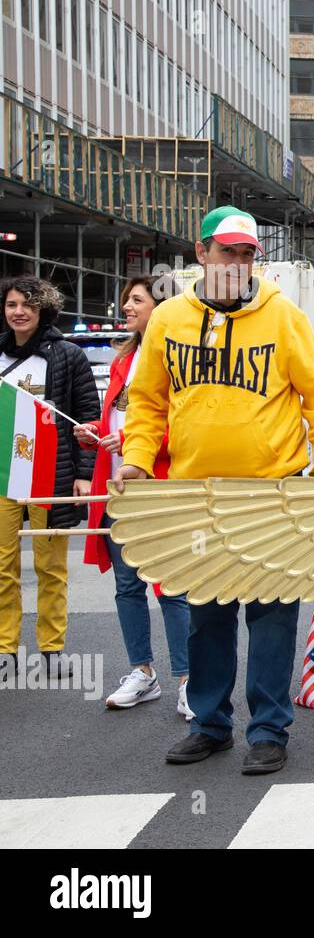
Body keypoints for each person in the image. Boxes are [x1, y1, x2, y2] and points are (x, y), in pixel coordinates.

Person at [116, 204, 314, 776]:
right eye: (228, 251)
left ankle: (268, 730)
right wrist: (139, 461)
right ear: (202, 254)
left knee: (271, 616)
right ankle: (210, 724)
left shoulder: (284, 317)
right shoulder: (168, 319)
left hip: (273, 494)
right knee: (207, 613)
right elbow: (146, 402)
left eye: (247, 254)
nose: (238, 262)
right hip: (199, 495)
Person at [76, 275, 192, 716]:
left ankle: (187, 678)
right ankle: (142, 672)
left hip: (160, 488)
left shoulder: (179, 358)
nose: (126, 307)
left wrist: (131, 443)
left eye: (136, 300)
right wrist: (95, 436)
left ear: (160, 308)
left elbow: (184, 425)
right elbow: (118, 420)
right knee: (127, 586)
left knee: (171, 588)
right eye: (126, 300)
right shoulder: (123, 361)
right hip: (118, 486)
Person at [0, 276, 100, 682]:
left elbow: (87, 417)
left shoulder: (67, 355)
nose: (18, 311)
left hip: (50, 475)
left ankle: (52, 646)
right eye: (11, 304)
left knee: (50, 565)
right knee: (2, 566)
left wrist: (83, 474)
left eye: (27, 304)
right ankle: (5, 647)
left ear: (43, 309)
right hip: (3, 474)